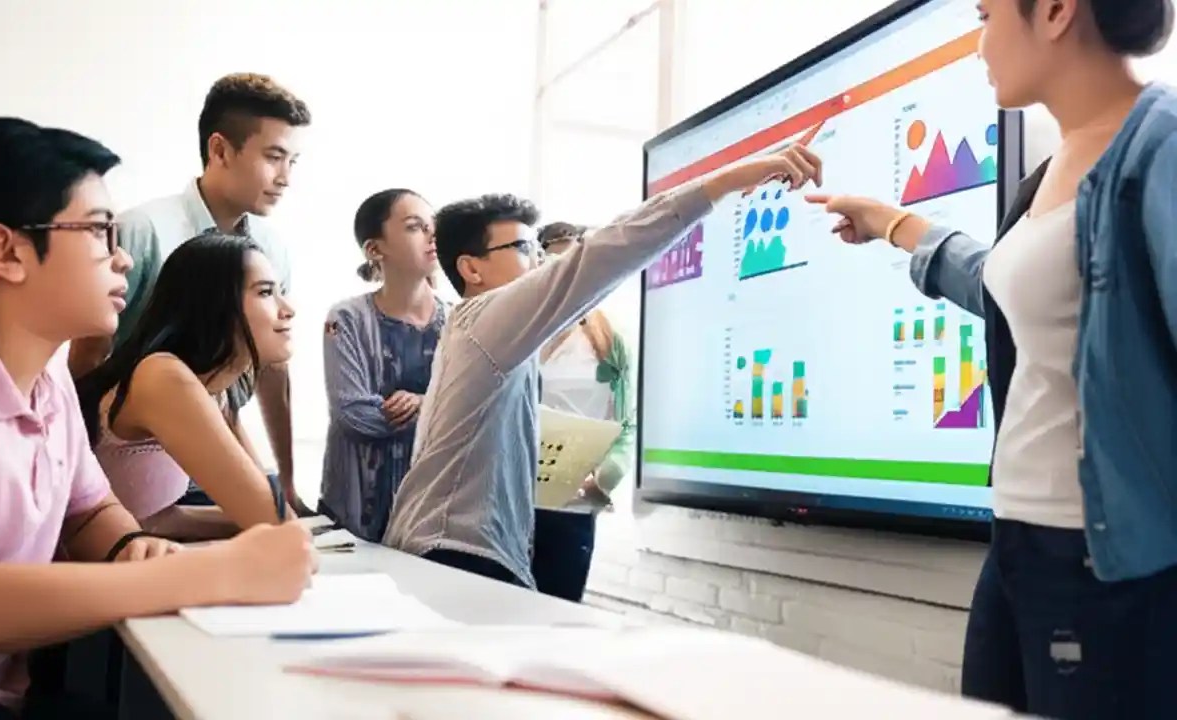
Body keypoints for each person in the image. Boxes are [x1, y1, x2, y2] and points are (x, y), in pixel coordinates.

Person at [805, 1, 1177, 716]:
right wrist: (893, 225)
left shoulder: (1158, 150)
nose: (979, 44)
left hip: (1110, 565)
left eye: (985, 14)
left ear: (1057, 11)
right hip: (1018, 543)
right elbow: (1014, 293)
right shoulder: (1053, 169)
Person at [0, 117, 314, 719]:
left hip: (2, 694)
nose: (121, 259)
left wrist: (134, 547)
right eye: (98, 232)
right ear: (6, 251)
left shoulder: (49, 385)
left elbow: (90, 511)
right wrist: (211, 574)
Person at [383, 144, 823, 587]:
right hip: (457, 555)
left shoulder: (481, 333)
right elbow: (602, 253)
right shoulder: (485, 319)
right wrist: (723, 182)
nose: (540, 260)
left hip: (458, 549)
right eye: (523, 247)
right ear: (471, 269)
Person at [67, 72, 312, 513]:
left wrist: (287, 480)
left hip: (213, 459)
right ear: (220, 150)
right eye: (274, 157)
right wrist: (76, 485)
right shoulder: (142, 232)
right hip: (134, 466)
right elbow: (87, 359)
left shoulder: (272, 249)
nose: (286, 177)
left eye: (293, 161)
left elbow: (269, 371)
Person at [76, 232, 298, 540]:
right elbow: (274, 519)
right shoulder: (163, 378)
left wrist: (277, 517)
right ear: (215, 305)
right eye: (265, 292)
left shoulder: (216, 386)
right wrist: (276, 519)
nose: (287, 309)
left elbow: (157, 519)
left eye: (280, 292)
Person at [318, 189, 446, 542]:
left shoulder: (457, 321)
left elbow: (468, 416)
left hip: (429, 517)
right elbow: (354, 414)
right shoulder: (346, 318)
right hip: (354, 513)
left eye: (433, 226)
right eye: (415, 226)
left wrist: (422, 403)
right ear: (375, 249)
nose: (432, 236)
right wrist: (436, 409)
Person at [529, 221, 635, 602]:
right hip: (511, 502)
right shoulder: (520, 327)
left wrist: (603, 481)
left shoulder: (609, 340)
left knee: (558, 613)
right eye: (556, 265)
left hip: (572, 503)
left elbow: (627, 424)